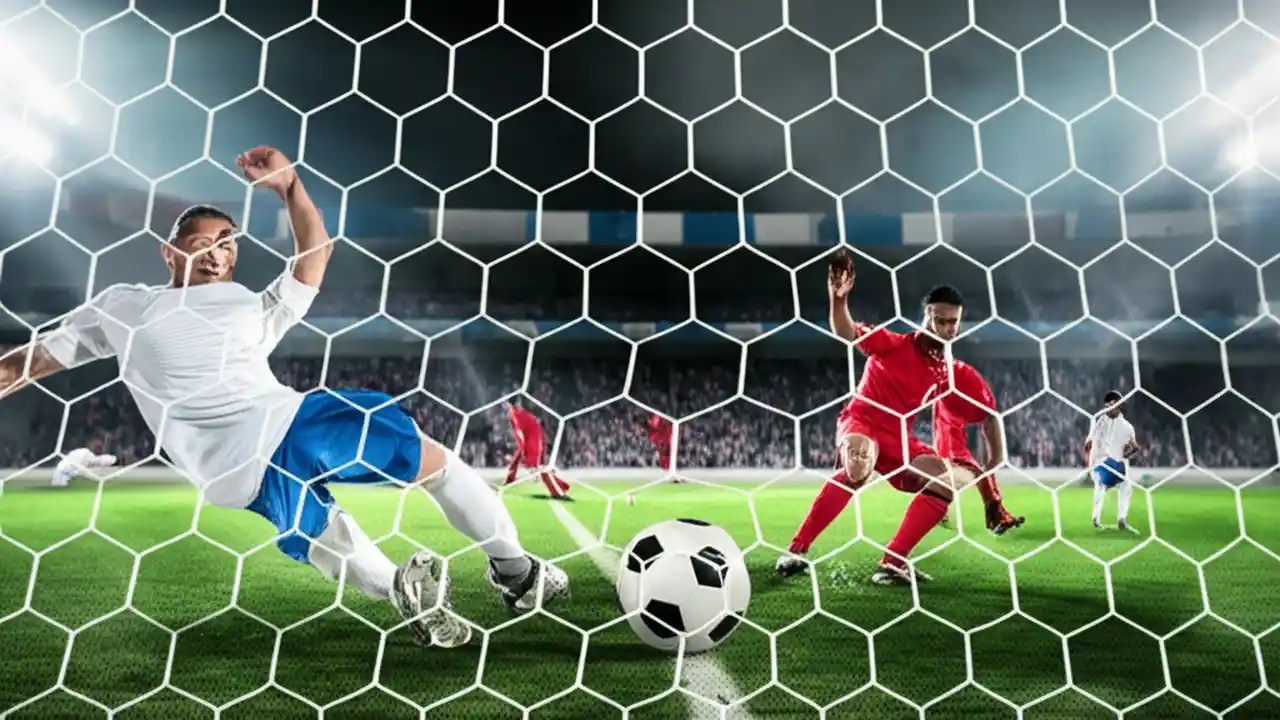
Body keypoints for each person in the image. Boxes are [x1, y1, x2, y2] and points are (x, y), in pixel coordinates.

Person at [0, 146, 567, 649]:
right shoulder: (125, 306)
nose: (221, 254)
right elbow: (36, 358)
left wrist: (291, 186)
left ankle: (461, 580)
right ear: (169, 254)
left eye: (228, 243)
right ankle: (461, 584)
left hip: (262, 449)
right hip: (261, 451)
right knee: (370, 504)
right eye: (204, 244)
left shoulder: (252, 304)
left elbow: (313, 256)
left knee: (375, 501)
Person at [776, 250, 1001, 585]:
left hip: (900, 438)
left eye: (953, 322)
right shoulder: (893, 343)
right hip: (862, 422)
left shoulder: (947, 373)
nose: (947, 328)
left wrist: (992, 473)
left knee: (944, 482)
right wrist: (838, 299)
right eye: (940, 320)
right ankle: (796, 550)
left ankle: (892, 563)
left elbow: (988, 415)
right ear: (925, 316)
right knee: (857, 467)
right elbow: (845, 330)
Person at [933, 361, 1024, 535]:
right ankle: (994, 512)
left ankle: (995, 511)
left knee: (960, 463)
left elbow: (991, 419)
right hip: (949, 398)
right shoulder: (956, 397)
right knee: (955, 463)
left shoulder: (977, 399)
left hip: (955, 396)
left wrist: (995, 458)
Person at [1084, 390, 1141, 531]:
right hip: (1108, 465)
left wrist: (1088, 463)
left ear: (1119, 406)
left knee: (1104, 485)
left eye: (1112, 404)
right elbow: (1135, 447)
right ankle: (1120, 518)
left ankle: (1097, 518)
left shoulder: (1119, 426)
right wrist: (1128, 454)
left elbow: (1135, 447)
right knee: (1124, 486)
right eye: (1107, 405)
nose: (1109, 407)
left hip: (1104, 466)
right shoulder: (1104, 422)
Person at [503, 399, 571, 500]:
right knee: (524, 464)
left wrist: (525, 453)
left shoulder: (516, 415)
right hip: (535, 440)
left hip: (533, 443)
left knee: (540, 469)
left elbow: (523, 435)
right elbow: (529, 430)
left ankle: (559, 492)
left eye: (506, 405)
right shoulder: (519, 414)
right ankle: (509, 480)